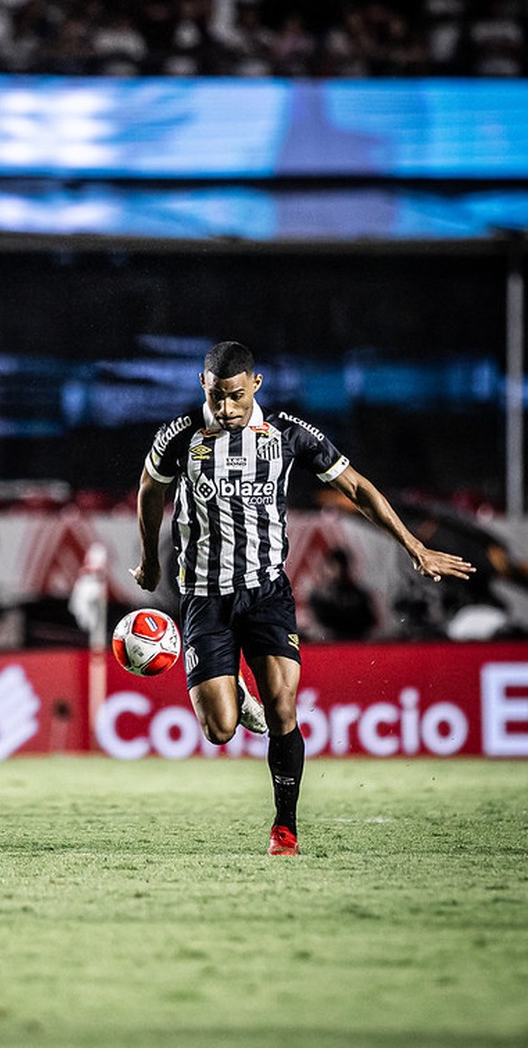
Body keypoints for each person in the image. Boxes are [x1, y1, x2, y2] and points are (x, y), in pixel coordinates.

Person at [131, 340, 475, 856]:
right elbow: (148, 490)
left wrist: (414, 545)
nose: (227, 409)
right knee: (220, 729)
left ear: (256, 385)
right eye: (218, 396)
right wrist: (153, 560)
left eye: (237, 397)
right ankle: (237, 699)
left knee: (283, 708)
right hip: (205, 597)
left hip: (267, 591)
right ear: (203, 386)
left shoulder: (289, 436)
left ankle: (284, 828)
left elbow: (356, 488)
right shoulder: (179, 438)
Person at [308, 546, 377, 640]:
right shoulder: (319, 596)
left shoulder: (357, 595)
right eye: (330, 566)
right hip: (329, 644)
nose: (331, 571)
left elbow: (369, 622)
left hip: (354, 643)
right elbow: (319, 625)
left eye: (336, 566)